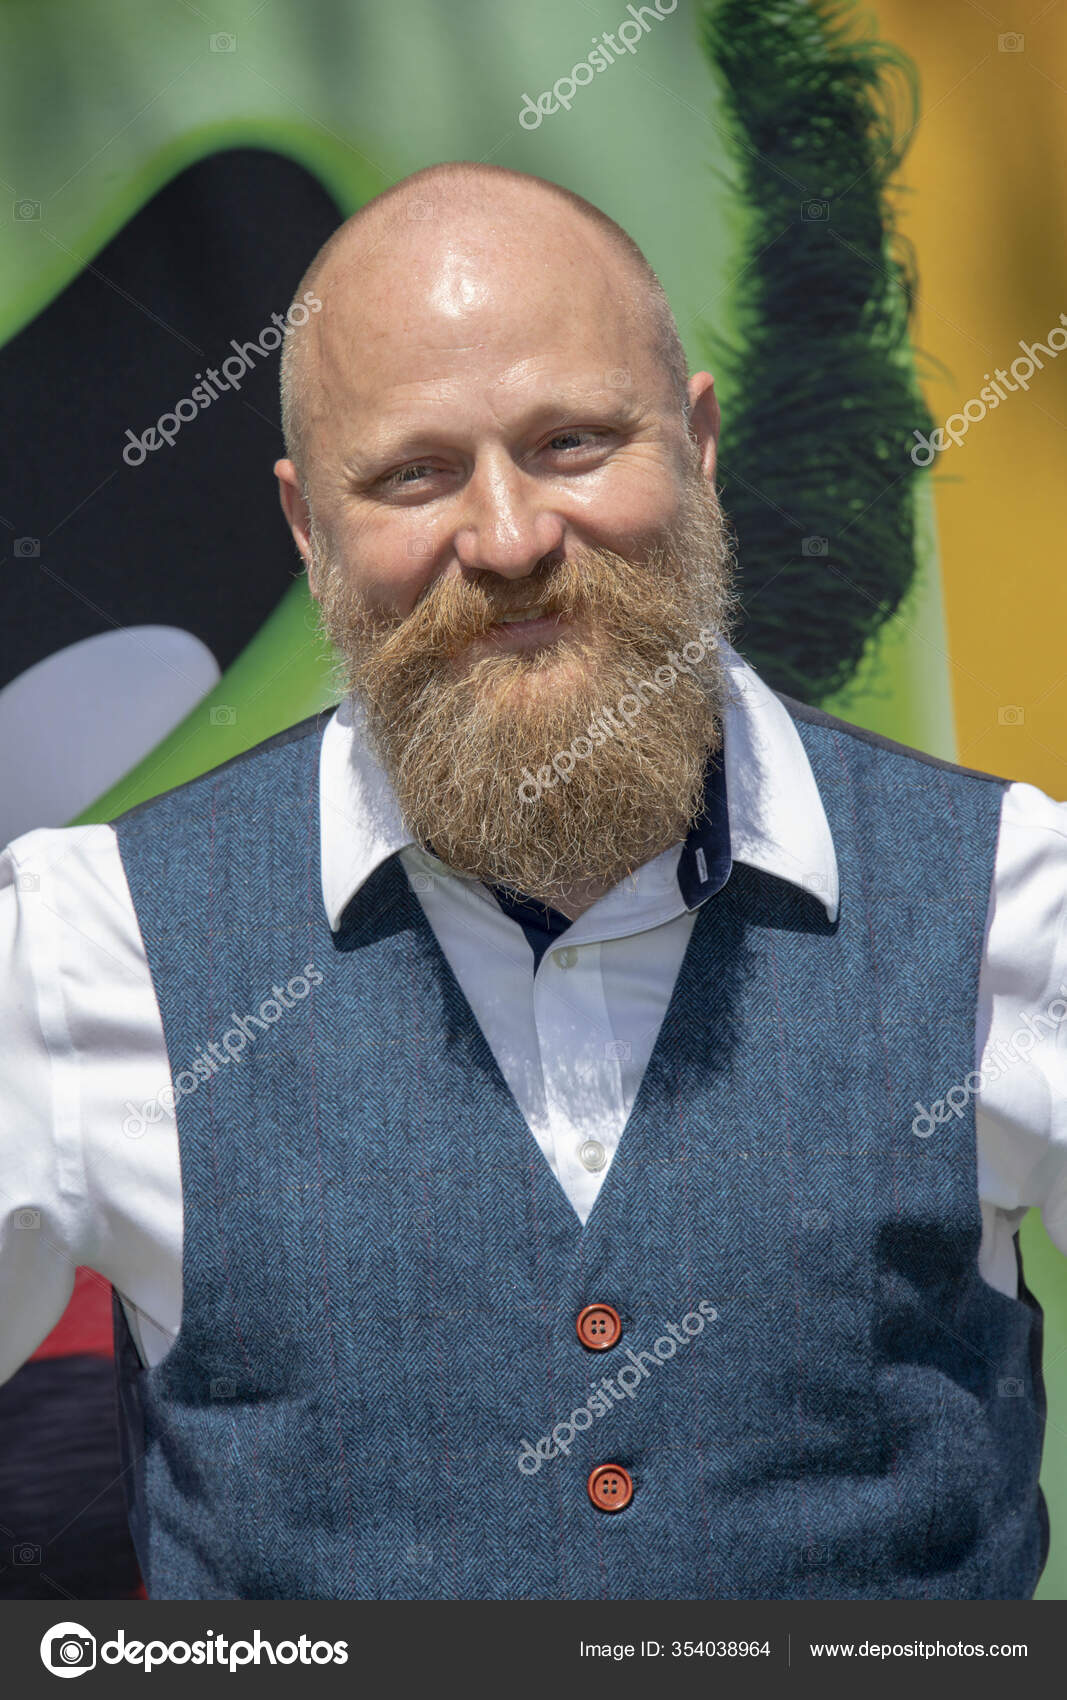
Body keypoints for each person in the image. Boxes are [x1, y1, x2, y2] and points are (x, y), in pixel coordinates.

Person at [1, 161, 1063, 1601]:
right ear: (308, 528)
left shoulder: (1010, 896)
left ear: (698, 446)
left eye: (571, 443)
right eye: (414, 474)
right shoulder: (93, 943)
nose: (506, 541)